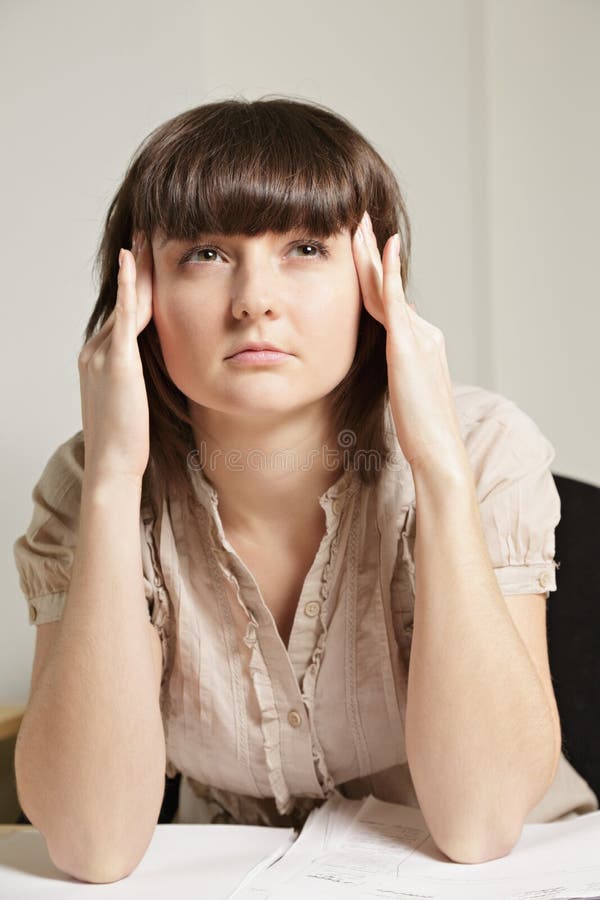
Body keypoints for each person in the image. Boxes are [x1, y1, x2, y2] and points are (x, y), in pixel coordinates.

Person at [13, 96, 598, 883]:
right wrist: (116, 484)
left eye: (305, 247)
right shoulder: (87, 483)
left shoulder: (485, 447)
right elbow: (92, 845)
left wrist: (441, 474)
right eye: (206, 254)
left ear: (375, 278)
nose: (254, 299)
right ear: (138, 290)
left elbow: (482, 823)